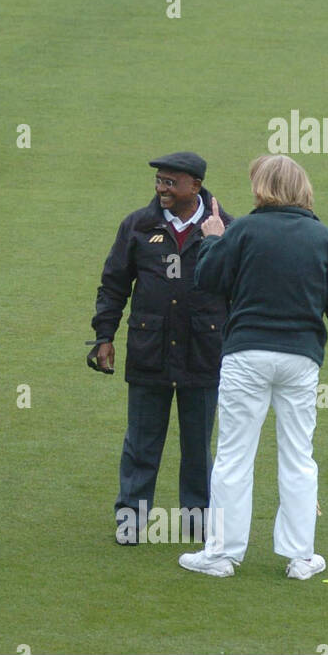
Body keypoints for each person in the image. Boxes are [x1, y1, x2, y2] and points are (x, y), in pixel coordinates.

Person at [179, 155, 328, 580]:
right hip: (300, 361)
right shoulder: (323, 238)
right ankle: (301, 558)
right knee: (298, 455)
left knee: (233, 456)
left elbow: (207, 279)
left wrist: (212, 238)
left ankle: (221, 555)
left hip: (247, 355)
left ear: (262, 187)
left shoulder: (242, 230)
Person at [89, 151, 232, 545]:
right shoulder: (138, 225)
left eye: (171, 183)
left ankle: (196, 521)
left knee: (198, 445)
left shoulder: (225, 229)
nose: (162, 189)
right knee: (141, 440)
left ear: (196, 187)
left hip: (204, 353)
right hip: (149, 350)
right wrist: (105, 336)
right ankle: (131, 520)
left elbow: (238, 292)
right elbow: (114, 284)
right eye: (159, 182)